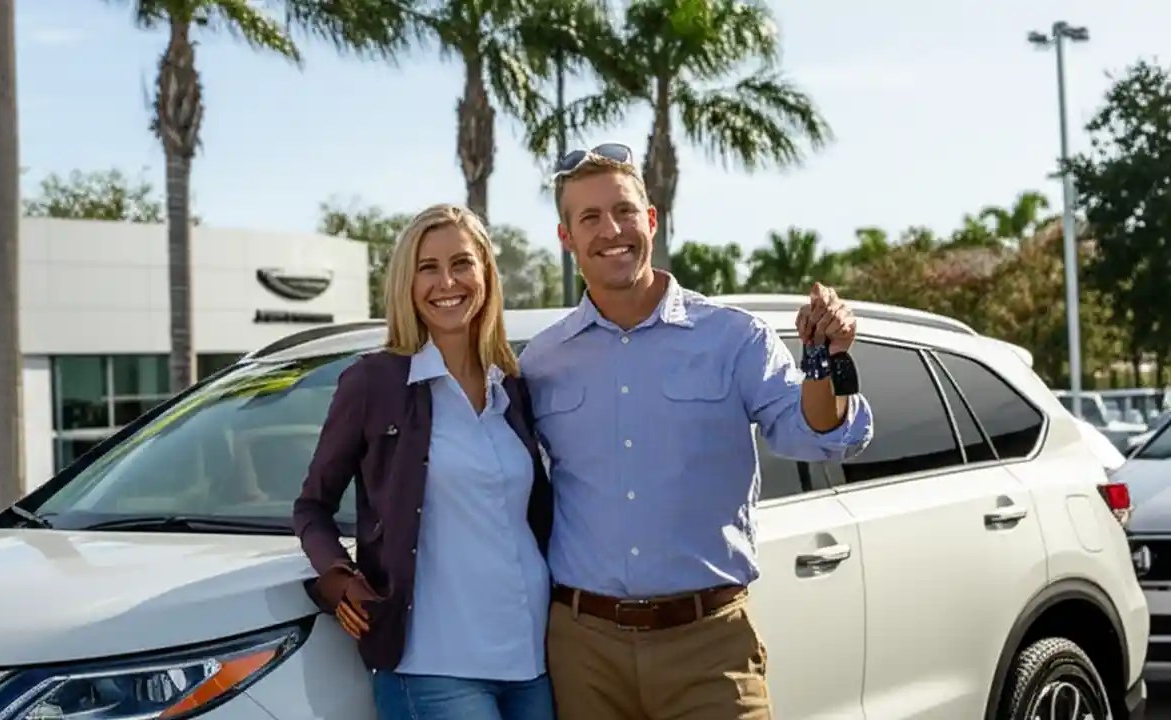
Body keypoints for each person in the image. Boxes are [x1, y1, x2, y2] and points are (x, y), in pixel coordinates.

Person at [518, 143, 875, 720]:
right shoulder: (542, 361)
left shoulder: (734, 339)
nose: (611, 229)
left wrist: (821, 358)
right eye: (589, 218)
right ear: (567, 239)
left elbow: (812, 436)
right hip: (583, 651)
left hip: (710, 645)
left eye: (625, 210)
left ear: (651, 220)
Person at [292, 203, 556, 720]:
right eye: (427, 267)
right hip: (432, 666)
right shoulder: (373, 384)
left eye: (461, 263)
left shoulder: (514, 386)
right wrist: (338, 577)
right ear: (406, 284)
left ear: (485, 272)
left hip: (531, 660)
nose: (446, 282)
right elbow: (311, 507)